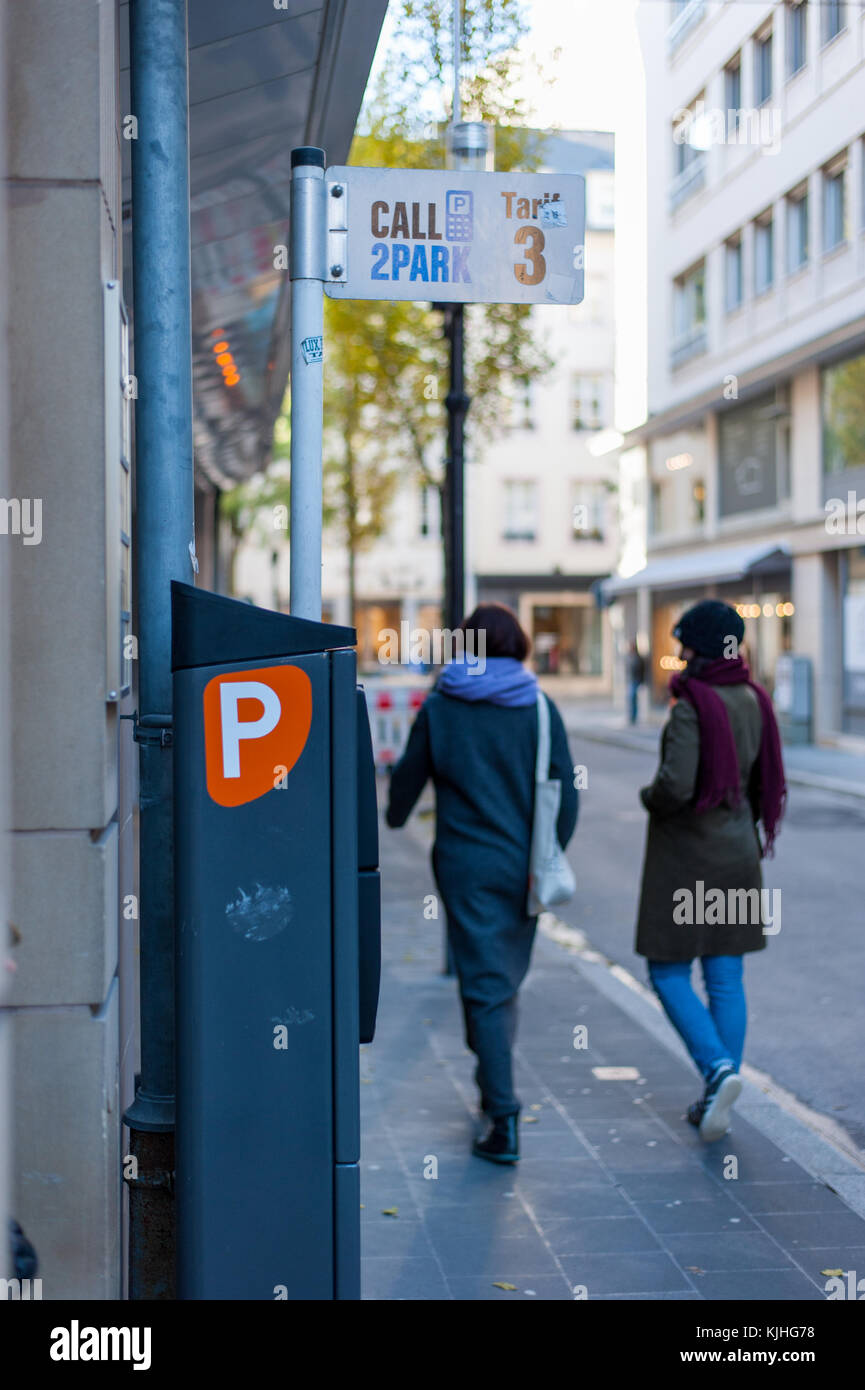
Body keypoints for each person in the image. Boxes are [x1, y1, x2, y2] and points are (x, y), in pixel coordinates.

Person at [386, 604, 578, 1164]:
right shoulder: (539, 708)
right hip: (524, 870)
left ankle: (504, 1115)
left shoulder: (443, 707)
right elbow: (566, 795)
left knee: (485, 984)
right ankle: (494, 1096)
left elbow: (403, 787)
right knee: (497, 982)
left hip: (465, 868)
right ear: (517, 646)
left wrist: (396, 816)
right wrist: (548, 852)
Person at [634, 600, 786, 1143]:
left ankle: (717, 1070)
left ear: (700, 647)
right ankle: (717, 1092)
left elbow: (675, 786)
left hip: (688, 860)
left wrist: (649, 797)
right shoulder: (753, 699)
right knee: (724, 976)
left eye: (685, 644)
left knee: (667, 971)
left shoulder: (690, 706)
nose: (679, 654)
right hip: (739, 855)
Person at [626, 640, 646, 725]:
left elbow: (641, 670)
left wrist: (641, 681)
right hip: (632, 680)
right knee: (631, 699)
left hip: (636, 681)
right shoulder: (631, 657)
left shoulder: (638, 658)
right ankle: (632, 716)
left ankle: (634, 716)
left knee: (633, 698)